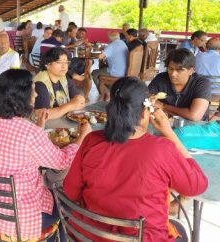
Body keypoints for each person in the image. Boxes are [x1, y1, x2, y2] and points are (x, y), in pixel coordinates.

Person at [63, 77, 208, 242]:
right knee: (180, 230)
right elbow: (197, 186)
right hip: (141, 238)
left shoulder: (91, 140)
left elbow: (71, 192)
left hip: (89, 234)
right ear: (145, 112)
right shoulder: (162, 149)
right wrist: (170, 133)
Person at [0, 69, 91, 241]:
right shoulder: (27, 132)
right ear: (20, 96)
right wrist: (83, 136)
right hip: (21, 218)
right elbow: (62, 161)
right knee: (70, 202)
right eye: (32, 90)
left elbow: (17, 145)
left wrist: (38, 126)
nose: (35, 94)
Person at [148, 49, 211, 122]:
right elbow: (148, 100)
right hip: (166, 123)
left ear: (191, 71)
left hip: (194, 127)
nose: (173, 74)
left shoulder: (201, 83)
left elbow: (194, 116)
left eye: (179, 70)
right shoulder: (160, 78)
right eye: (170, 69)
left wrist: (163, 106)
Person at [33, 47, 85, 120]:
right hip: (44, 126)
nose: (64, 66)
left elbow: (78, 100)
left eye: (66, 62)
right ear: (47, 65)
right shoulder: (40, 84)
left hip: (62, 120)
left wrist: (76, 102)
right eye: (59, 62)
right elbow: (42, 115)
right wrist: (70, 105)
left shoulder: (64, 77)